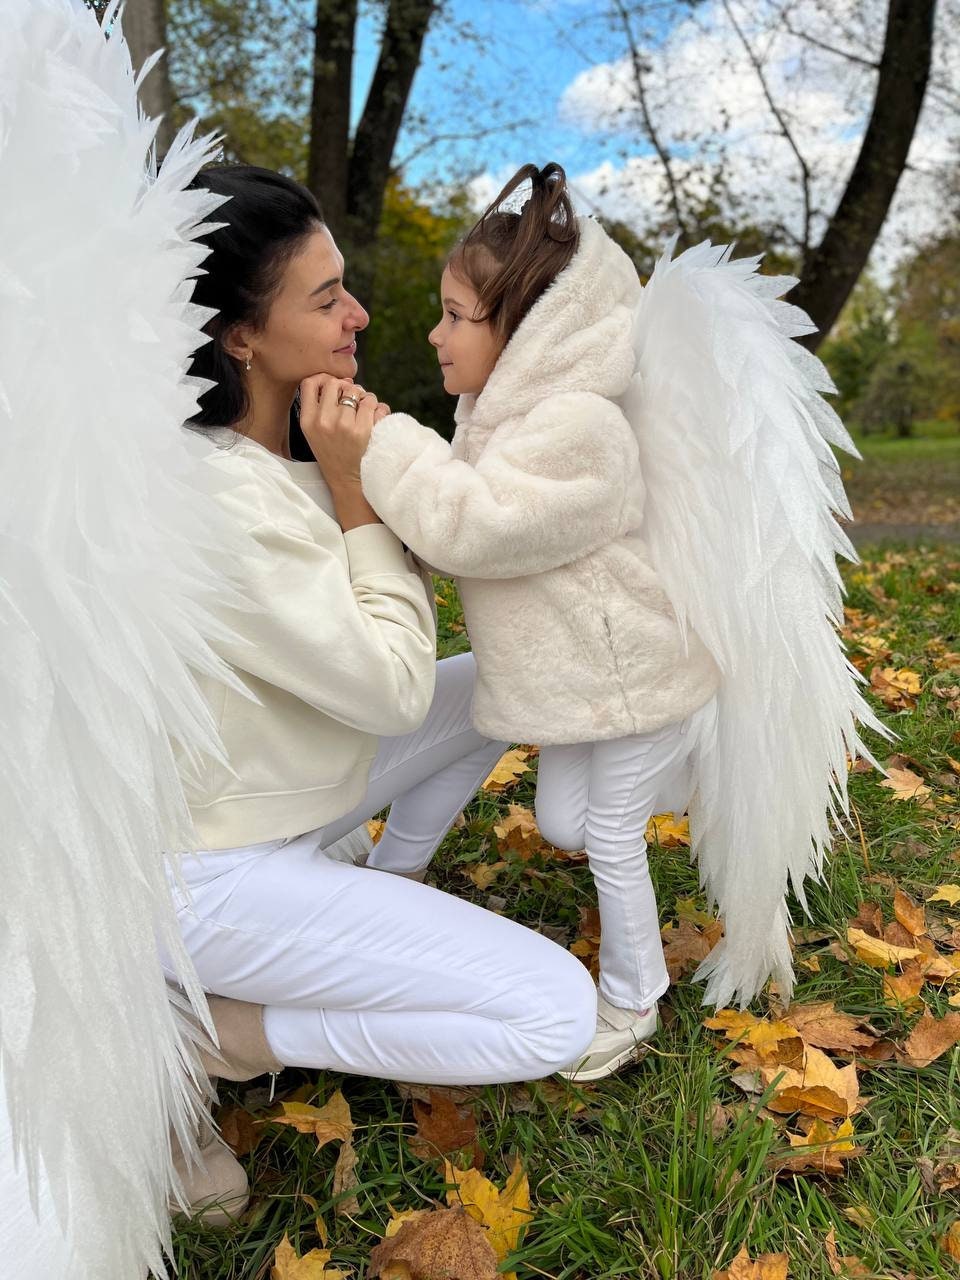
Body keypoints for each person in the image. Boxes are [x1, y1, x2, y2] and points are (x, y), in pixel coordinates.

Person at [351, 163, 882, 1082]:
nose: (434, 334)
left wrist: (385, 443)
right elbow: (469, 522)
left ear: (522, 326)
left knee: (604, 835)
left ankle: (634, 1000)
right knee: (563, 820)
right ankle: (683, 779)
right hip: (577, 687)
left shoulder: (579, 428)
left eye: (454, 315)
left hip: (637, 676)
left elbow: (477, 523)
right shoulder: (495, 417)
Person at [167, 163, 598, 1220]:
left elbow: (417, 605)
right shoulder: (215, 501)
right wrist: (364, 498)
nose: (358, 314)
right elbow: (396, 686)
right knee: (556, 1013)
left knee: (504, 682)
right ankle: (222, 1034)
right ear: (240, 338)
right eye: (324, 299)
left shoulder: (305, 449)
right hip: (209, 874)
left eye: (345, 285)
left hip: (291, 798)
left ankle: (378, 884)